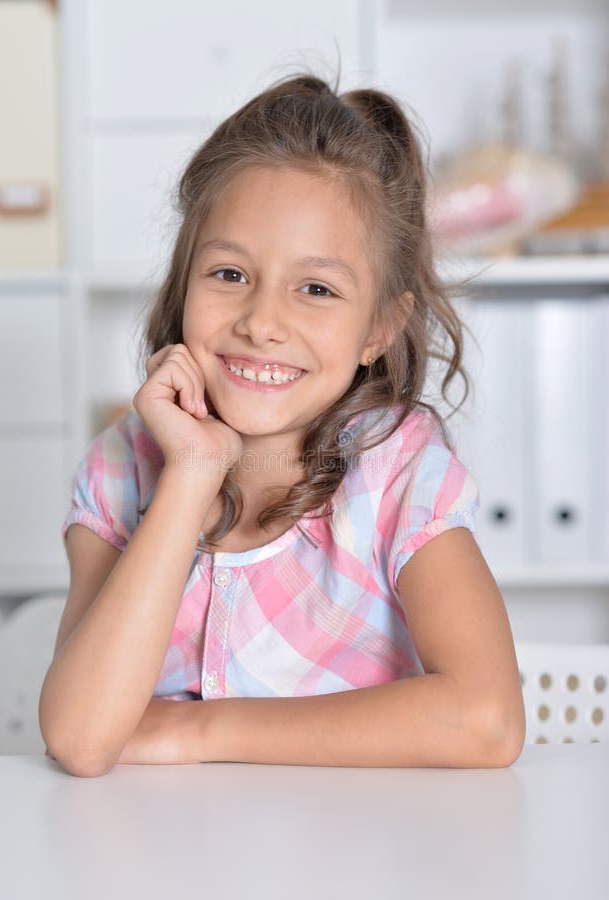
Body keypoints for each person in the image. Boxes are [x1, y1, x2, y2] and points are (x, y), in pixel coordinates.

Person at [39, 70, 526, 777]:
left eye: (316, 288)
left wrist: (199, 730)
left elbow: (485, 721)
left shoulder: (398, 472)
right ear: (183, 284)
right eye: (229, 274)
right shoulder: (122, 470)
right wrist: (191, 475)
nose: (262, 322)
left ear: (378, 329)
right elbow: (81, 739)